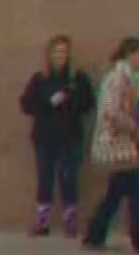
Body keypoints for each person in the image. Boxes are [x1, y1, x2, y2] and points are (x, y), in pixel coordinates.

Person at [84, 36, 139, 255]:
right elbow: (112, 111)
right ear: (130, 53)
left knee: (118, 191)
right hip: (117, 143)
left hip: (126, 143)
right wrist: (136, 130)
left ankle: (95, 234)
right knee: (137, 189)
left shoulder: (133, 78)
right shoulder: (118, 78)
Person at [18, 35, 97, 237]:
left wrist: (70, 101)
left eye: (63, 52)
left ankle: (70, 221)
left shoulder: (77, 78)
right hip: (44, 137)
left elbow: (88, 104)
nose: (59, 56)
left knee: (68, 177)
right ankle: (42, 221)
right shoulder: (40, 79)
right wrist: (48, 103)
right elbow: (26, 104)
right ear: (49, 55)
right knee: (45, 177)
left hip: (70, 136)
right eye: (56, 52)